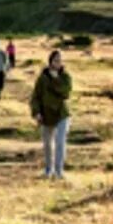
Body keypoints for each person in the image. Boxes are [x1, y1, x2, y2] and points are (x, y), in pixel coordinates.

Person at [30, 49, 72, 179]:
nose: (58, 63)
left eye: (60, 61)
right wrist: (36, 112)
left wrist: (55, 80)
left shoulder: (65, 77)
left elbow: (66, 93)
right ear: (50, 62)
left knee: (60, 142)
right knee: (48, 145)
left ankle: (59, 172)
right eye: (55, 61)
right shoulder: (42, 78)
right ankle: (49, 170)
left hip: (61, 115)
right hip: (46, 116)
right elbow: (35, 97)